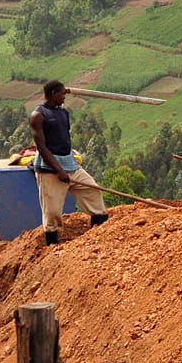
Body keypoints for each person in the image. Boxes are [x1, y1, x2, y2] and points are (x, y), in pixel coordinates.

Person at [29, 80, 108, 245]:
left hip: (69, 162)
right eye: (62, 94)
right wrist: (59, 170)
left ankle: (99, 228)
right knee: (52, 209)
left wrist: (69, 159)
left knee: (91, 189)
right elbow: (42, 147)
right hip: (50, 168)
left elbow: (64, 137)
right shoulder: (38, 115)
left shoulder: (63, 112)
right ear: (52, 94)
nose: (65, 97)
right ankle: (52, 244)